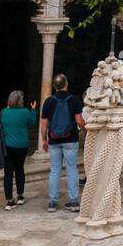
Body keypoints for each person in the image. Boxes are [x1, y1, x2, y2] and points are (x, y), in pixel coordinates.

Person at [40, 73, 85, 212]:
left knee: (55, 170)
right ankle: (73, 202)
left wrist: (44, 139)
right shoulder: (74, 100)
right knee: (71, 169)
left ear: (54, 86)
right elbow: (78, 120)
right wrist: (86, 129)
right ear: (66, 84)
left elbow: (44, 124)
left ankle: (53, 203)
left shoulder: (48, 101)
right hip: (70, 139)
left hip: (54, 140)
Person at [0, 91, 37, 210]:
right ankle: (20, 196)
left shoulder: (4, 112)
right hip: (22, 146)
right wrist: (33, 111)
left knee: (8, 173)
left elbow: (1, 123)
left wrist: (7, 110)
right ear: (21, 101)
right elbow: (32, 124)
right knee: (19, 169)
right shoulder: (25, 112)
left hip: (7, 146)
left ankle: (9, 201)